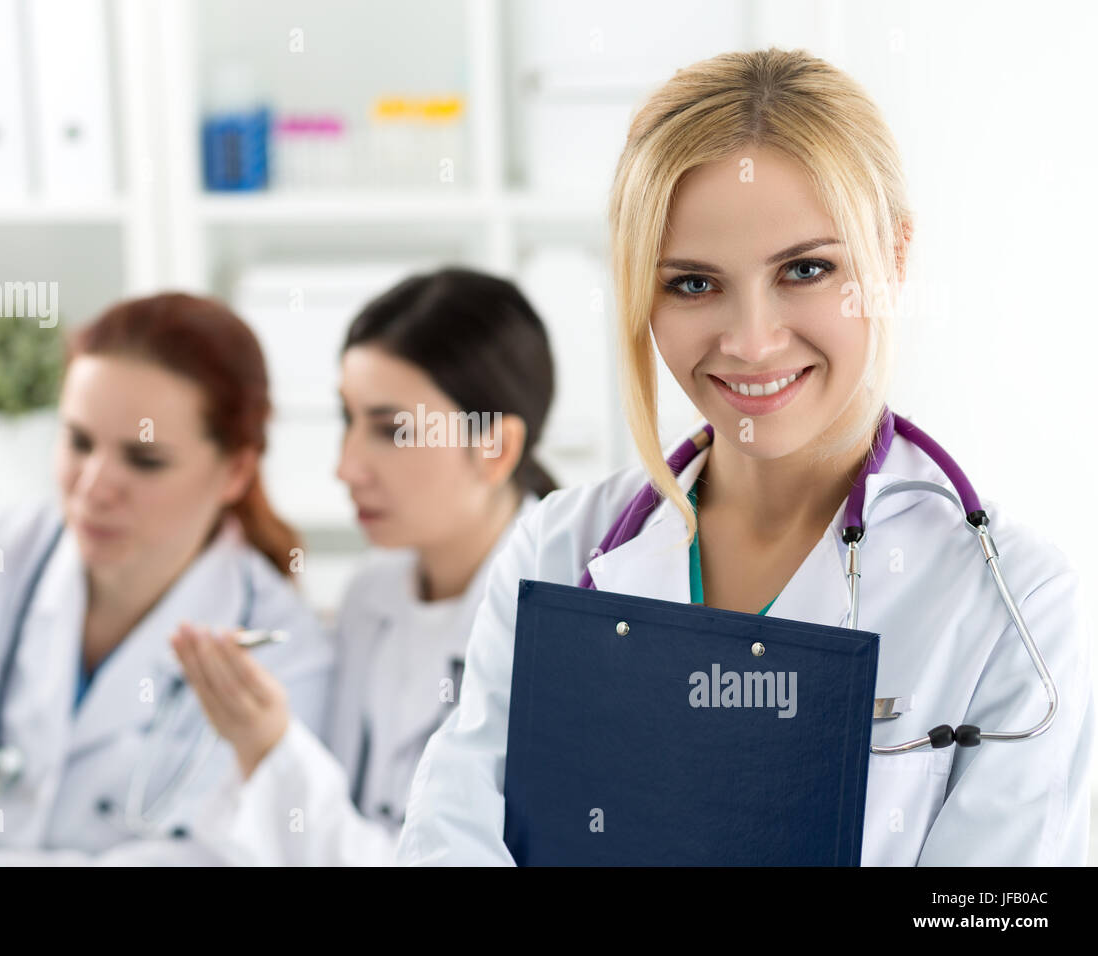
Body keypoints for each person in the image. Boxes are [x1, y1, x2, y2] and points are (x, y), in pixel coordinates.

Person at [394, 48, 1095, 866]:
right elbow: (450, 843)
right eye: (693, 283)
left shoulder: (1011, 601)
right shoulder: (559, 551)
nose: (753, 341)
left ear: (895, 259)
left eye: (806, 270)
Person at [0, 293, 334, 866]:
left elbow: (227, 860)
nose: (94, 487)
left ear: (235, 471)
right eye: (79, 442)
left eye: (144, 459)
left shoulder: (283, 647)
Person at [171, 267, 558, 865]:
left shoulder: (566, 620)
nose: (346, 467)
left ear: (495, 449)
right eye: (347, 420)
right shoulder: (371, 595)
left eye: (392, 430)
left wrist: (272, 749)